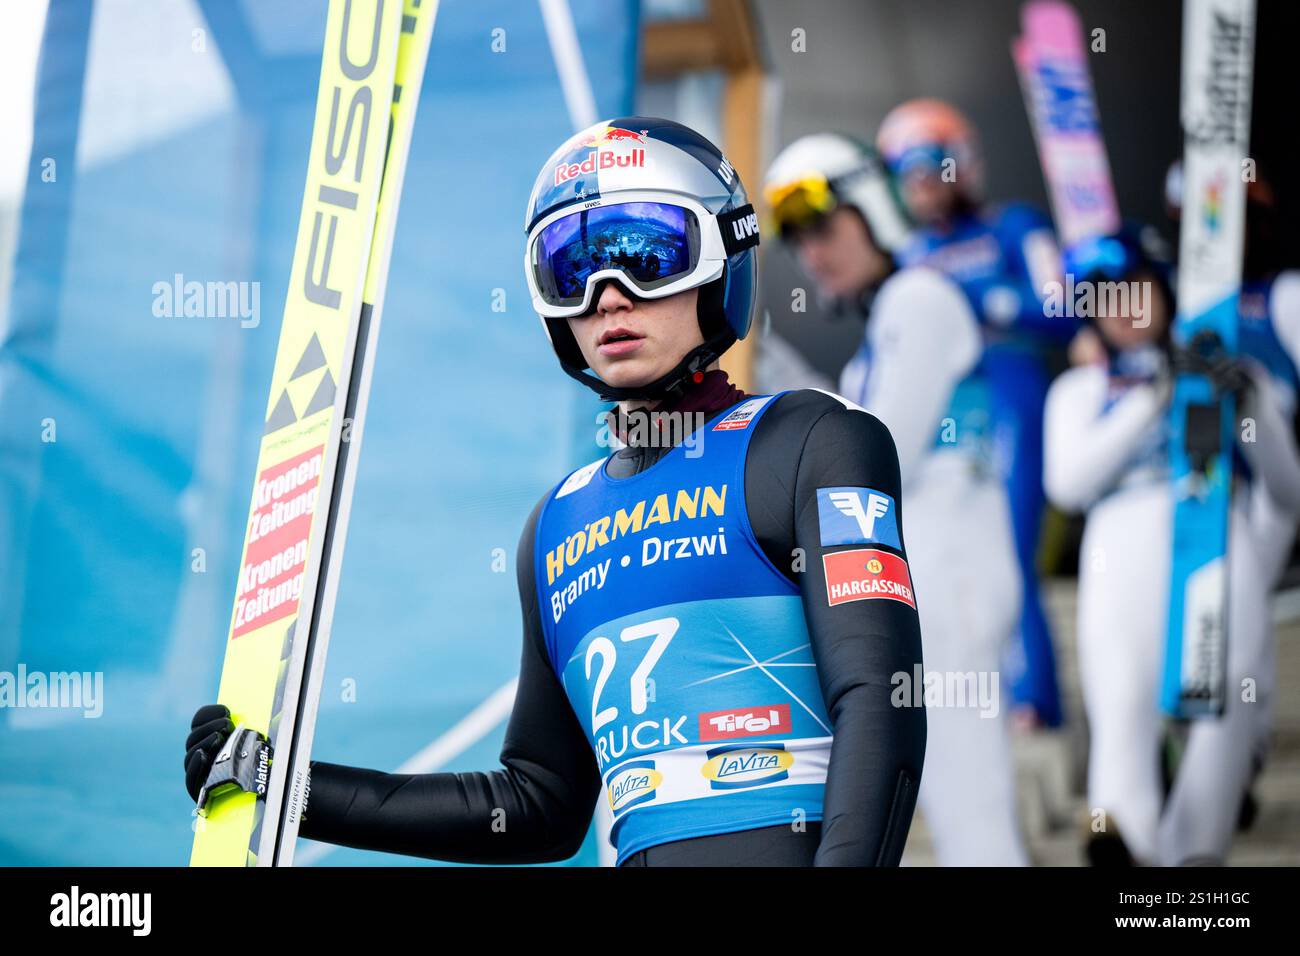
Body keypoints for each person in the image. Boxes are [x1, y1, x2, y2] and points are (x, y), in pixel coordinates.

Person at [185, 117, 926, 867]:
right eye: (570, 268)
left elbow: (880, 701)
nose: (609, 297)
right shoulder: (556, 525)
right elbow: (536, 803)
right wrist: (288, 788)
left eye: (647, 255)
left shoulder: (813, 441)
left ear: (720, 258)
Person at [763, 132, 1027, 865]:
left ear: (871, 208)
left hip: (952, 570)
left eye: (824, 226)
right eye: (797, 240)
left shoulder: (918, 297)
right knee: (951, 811)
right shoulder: (885, 326)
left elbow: (878, 451)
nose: (813, 253)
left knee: (974, 817)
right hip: (929, 574)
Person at [1044, 226, 1299, 865]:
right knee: (1120, 704)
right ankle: (1124, 839)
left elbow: (1290, 493)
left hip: (1215, 537)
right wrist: (1156, 395)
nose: (1122, 308)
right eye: (1102, 298)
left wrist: (1252, 406)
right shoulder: (1080, 391)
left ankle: (1195, 863)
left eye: (1134, 288)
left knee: (1228, 697)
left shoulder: (1227, 381)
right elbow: (1068, 484)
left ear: (1165, 288)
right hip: (1117, 553)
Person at [877, 98, 1068, 729]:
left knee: (1015, 546)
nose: (923, 186)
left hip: (1016, 399)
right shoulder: (905, 255)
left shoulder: (1014, 227)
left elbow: (1061, 307)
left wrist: (978, 297)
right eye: (907, 174)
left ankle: (1035, 704)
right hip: (944, 428)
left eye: (932, 167)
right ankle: (983, 702)